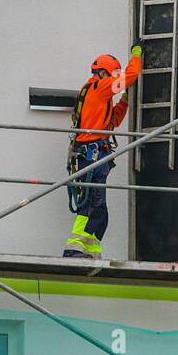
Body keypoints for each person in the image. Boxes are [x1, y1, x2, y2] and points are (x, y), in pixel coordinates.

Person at [63, 44, 143, 258]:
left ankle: (91, 249)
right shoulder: (98, 88)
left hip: (94, 152)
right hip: (92, 153)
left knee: (100, 209)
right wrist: (136, 54)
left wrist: (125, 100)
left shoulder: (95, 95)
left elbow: (112, 121)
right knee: (92, 203)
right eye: (112, 74)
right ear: (102, 73)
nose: (114, 78)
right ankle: (74, 249)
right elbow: (132, 74)